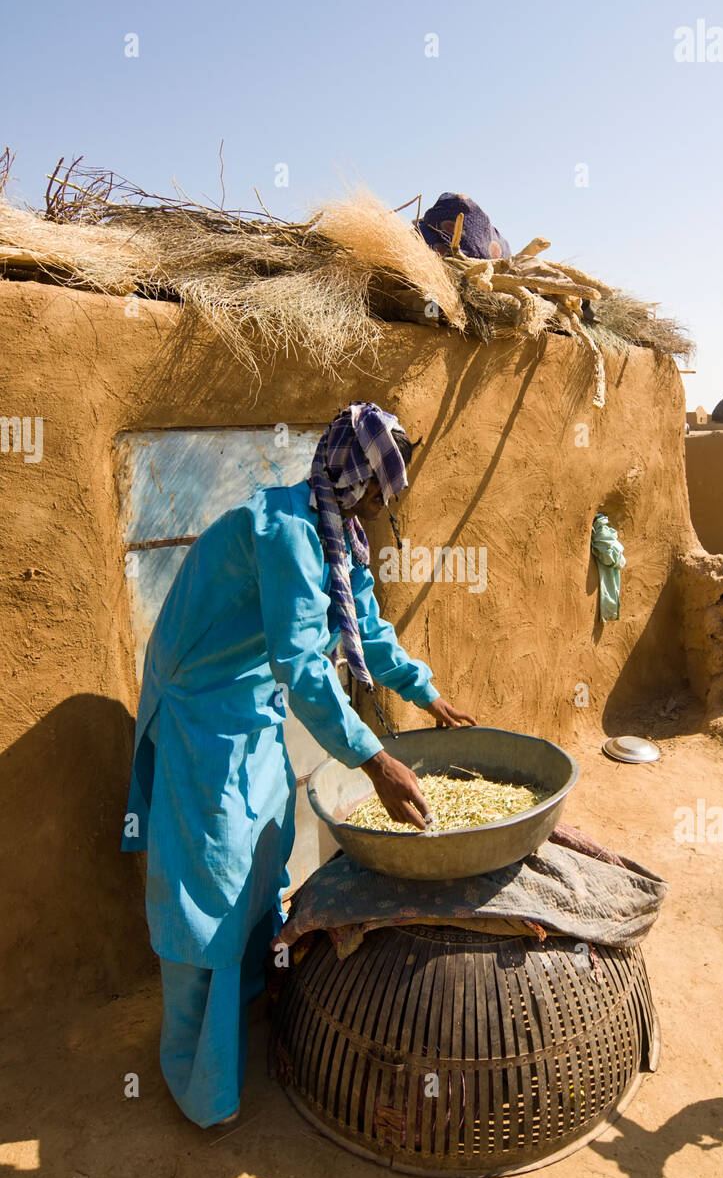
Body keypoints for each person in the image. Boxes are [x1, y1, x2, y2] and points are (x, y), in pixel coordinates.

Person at [122, 402, 476, 1128]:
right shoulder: (285, 531)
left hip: (246, 694)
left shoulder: (338, 538)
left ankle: (249, 1002)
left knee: (265, 843)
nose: (384, 504)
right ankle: (202, 1081)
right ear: (351, 475)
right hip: (198, 699)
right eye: (379, 489)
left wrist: (427, 694)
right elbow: (305, 669)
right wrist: (377, 763)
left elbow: (366, 631)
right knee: (213, 869)